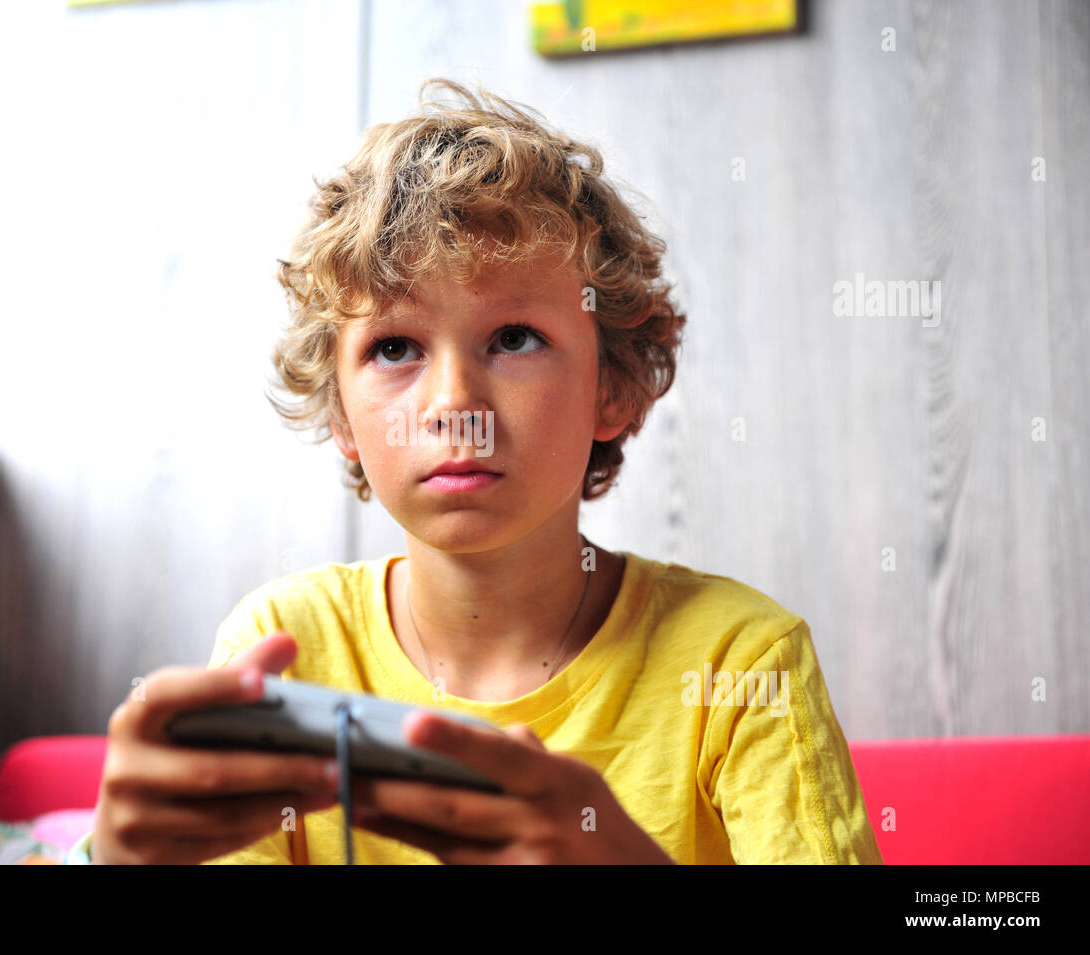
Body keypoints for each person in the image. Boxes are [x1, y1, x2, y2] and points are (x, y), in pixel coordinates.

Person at [69, 77, 882, 865]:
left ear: (615, 385)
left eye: (515, 338)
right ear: (343, 415)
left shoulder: (740, 663)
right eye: (394, 348)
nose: (455, 405)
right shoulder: (283, 648)